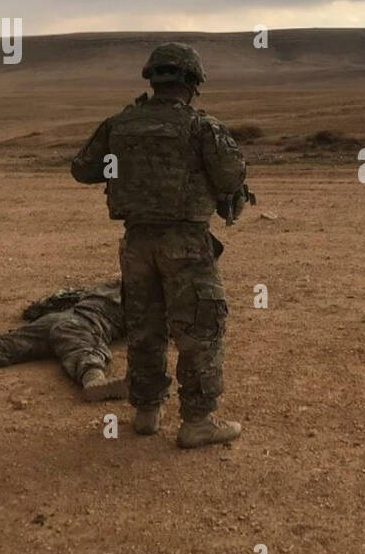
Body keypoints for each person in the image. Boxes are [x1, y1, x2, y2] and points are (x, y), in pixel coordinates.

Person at [71, 42, 247, 448]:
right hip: (184, 242)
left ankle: (147, 412)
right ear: (192, 81)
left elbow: (82, 169)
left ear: (152, 77)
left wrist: (128, 166)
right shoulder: (202, 127)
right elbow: (230, 178)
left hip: (137, 242)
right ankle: (198, 421)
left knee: (144, 325)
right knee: (199, 326)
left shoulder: (120, 123)